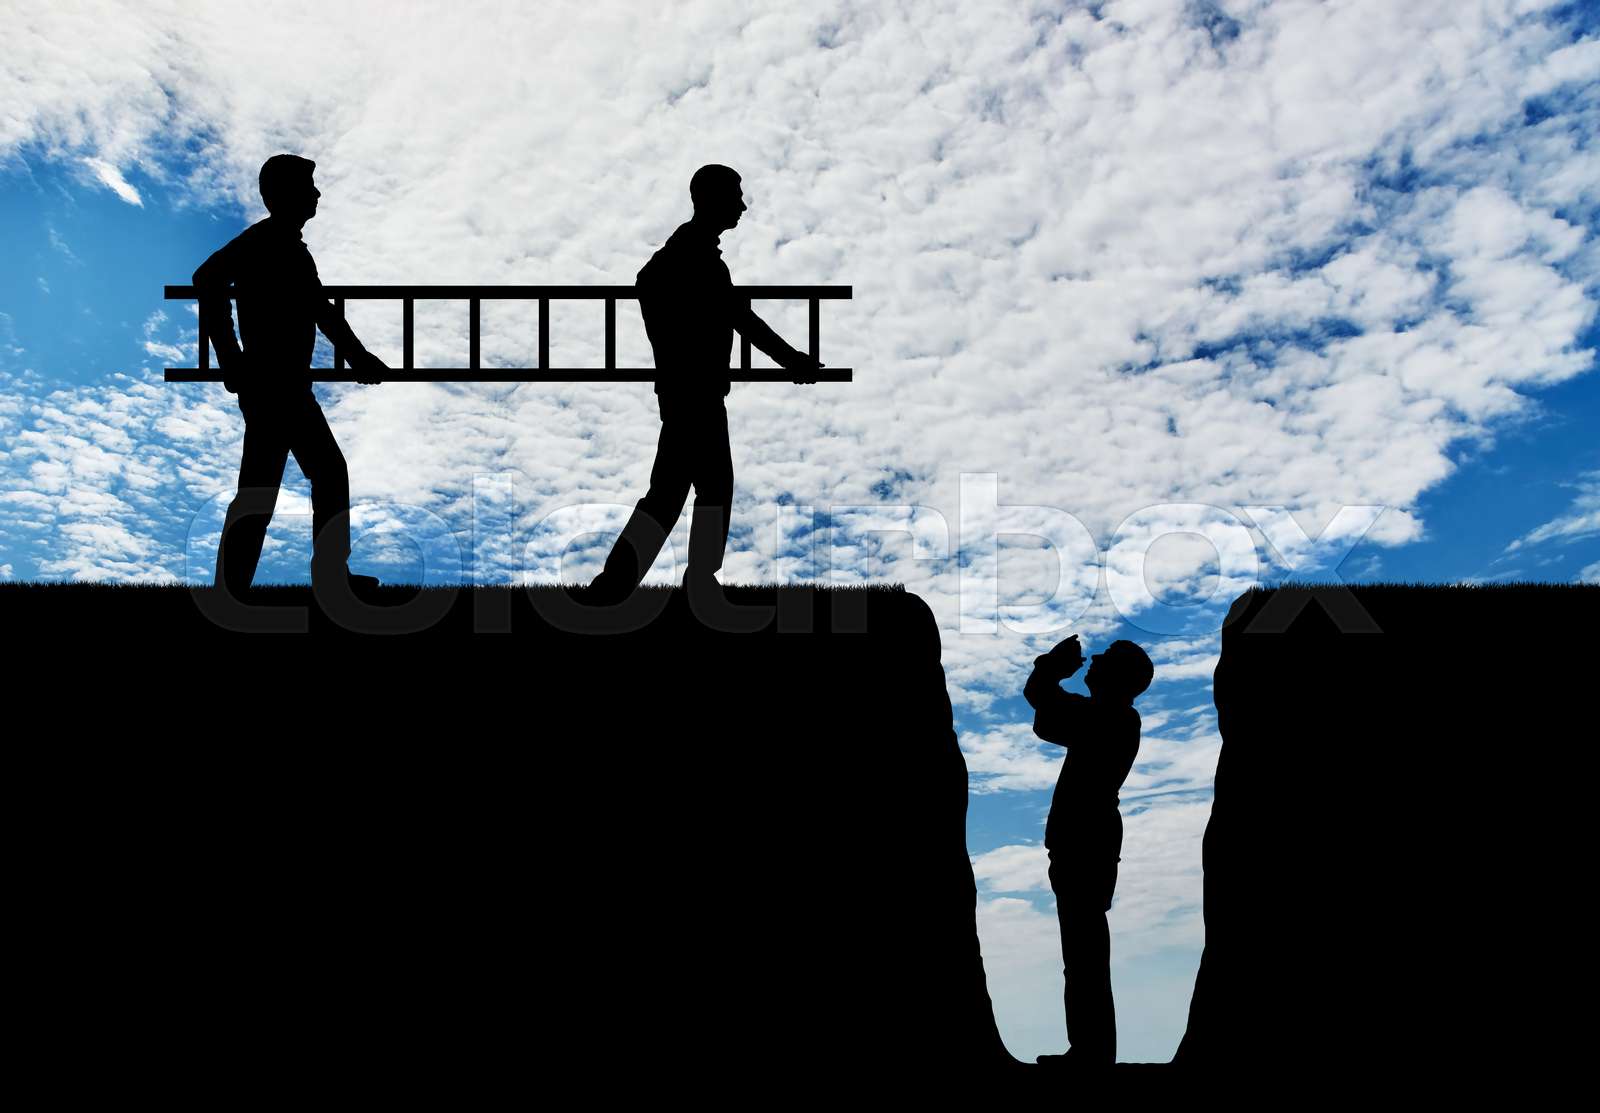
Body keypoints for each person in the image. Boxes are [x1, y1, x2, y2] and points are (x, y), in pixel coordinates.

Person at [589, 164, 821, 601]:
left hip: (688, 389)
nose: (742, 205)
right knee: (705, 487)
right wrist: (791, 360)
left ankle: (622, 583)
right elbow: (740, 317)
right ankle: (684, 581)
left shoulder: (692, 255)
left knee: (675, 490)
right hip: (694, 391)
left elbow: (715, 308)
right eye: (735, 196)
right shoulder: (694, 257)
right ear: (712, 200)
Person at [195, 154, 387, 598]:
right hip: (271, 386)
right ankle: (244, 586)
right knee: (278, 485)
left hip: (288, 386)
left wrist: (359, 358)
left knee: (312, 476)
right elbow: (207, 278)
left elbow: (321, 312)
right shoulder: (263, 241)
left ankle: (312, 578)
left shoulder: (292, 249)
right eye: (309, 186)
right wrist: (231, 357)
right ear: (283, 195)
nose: (317, 194)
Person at [1024, 634, 1154, 1068]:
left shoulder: (1110, 717)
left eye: (1106, 659)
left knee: (1084, 954)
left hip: (1086, 842)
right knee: (1084, 952)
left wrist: (1052, 668)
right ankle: (1090, 1049)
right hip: (1087, 841)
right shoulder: (1110, 717)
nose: (1094, 660)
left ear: (1118, 677)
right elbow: (1046, 716)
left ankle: (1092, 1052)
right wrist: (1052, 672)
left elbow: (1041, 702)